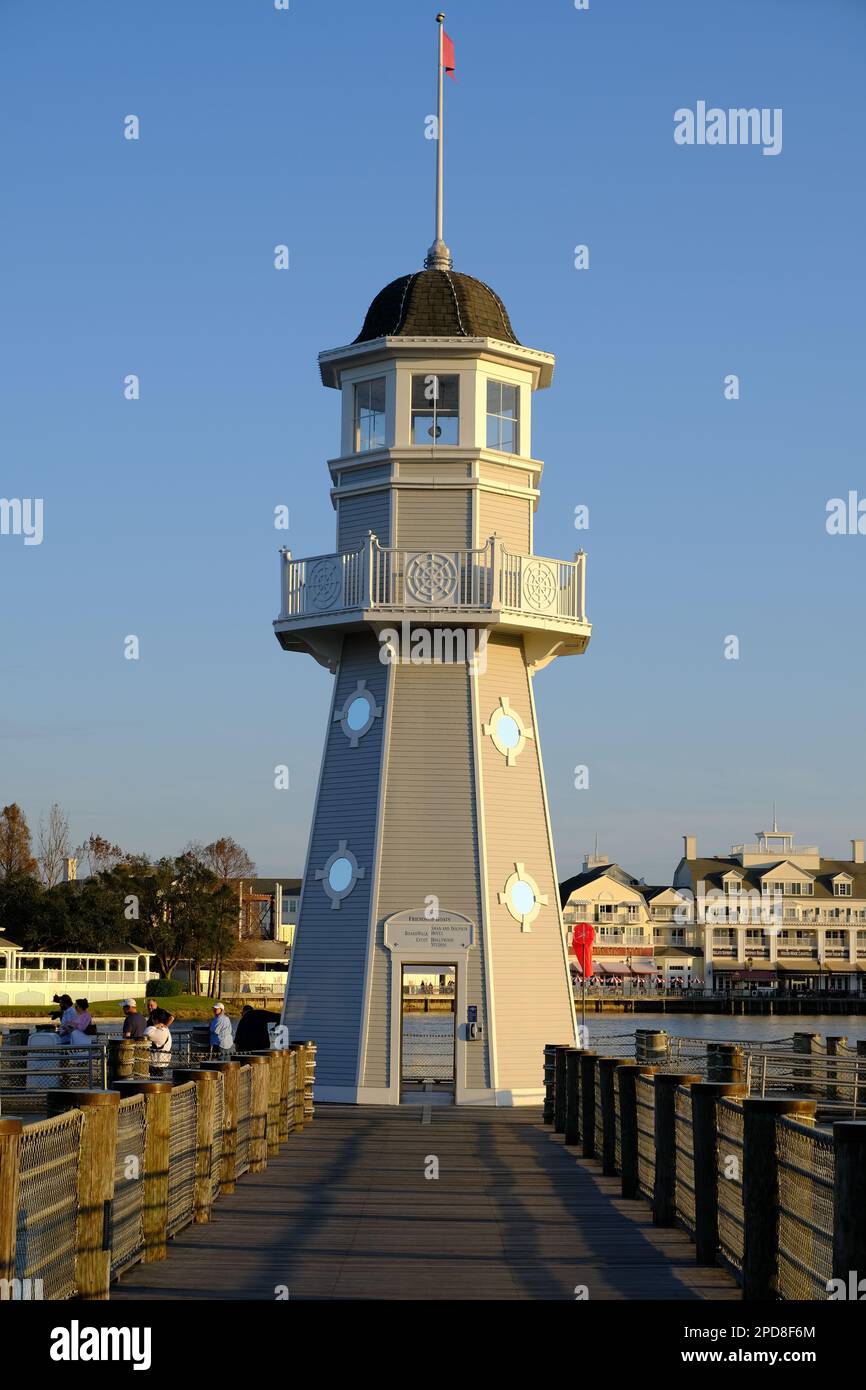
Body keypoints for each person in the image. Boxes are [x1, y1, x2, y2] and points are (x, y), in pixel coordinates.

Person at [144, 1007, 173, 1074]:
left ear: (156, 1020)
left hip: (157, 1063)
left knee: (156, 1081)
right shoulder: (165, 1030)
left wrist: (155, 1026)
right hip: (160, 1062)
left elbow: (146, 1033)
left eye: (152, 1018)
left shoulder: (161, 1031)